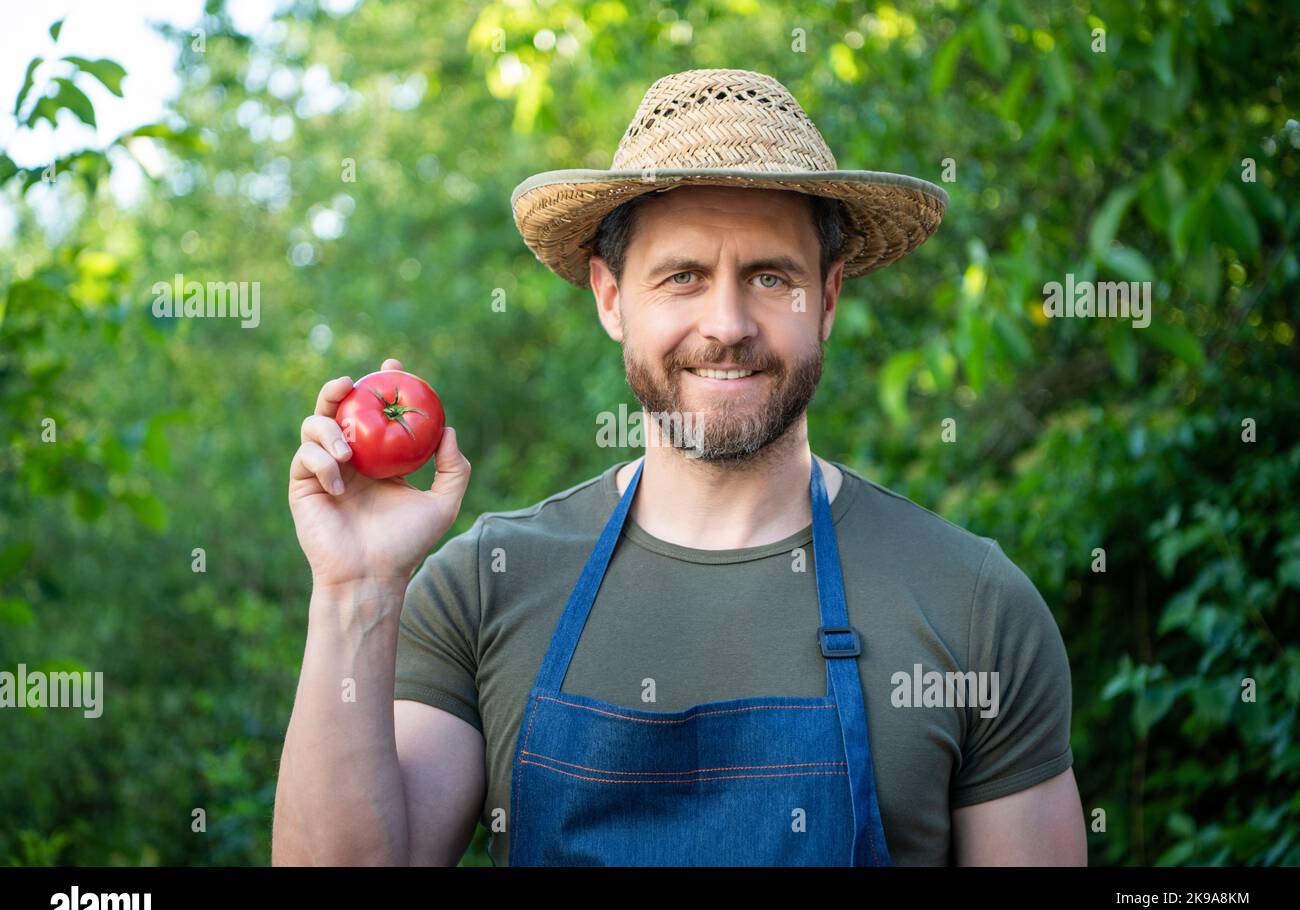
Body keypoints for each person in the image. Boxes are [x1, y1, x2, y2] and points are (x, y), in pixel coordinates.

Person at [273, 68, 1086, 866]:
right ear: (610, 297)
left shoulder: (974, 606)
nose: (726, 324)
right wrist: (356, 591)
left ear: (828, 298)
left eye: (771, 277)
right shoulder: (485, 586)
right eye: (683, 277)